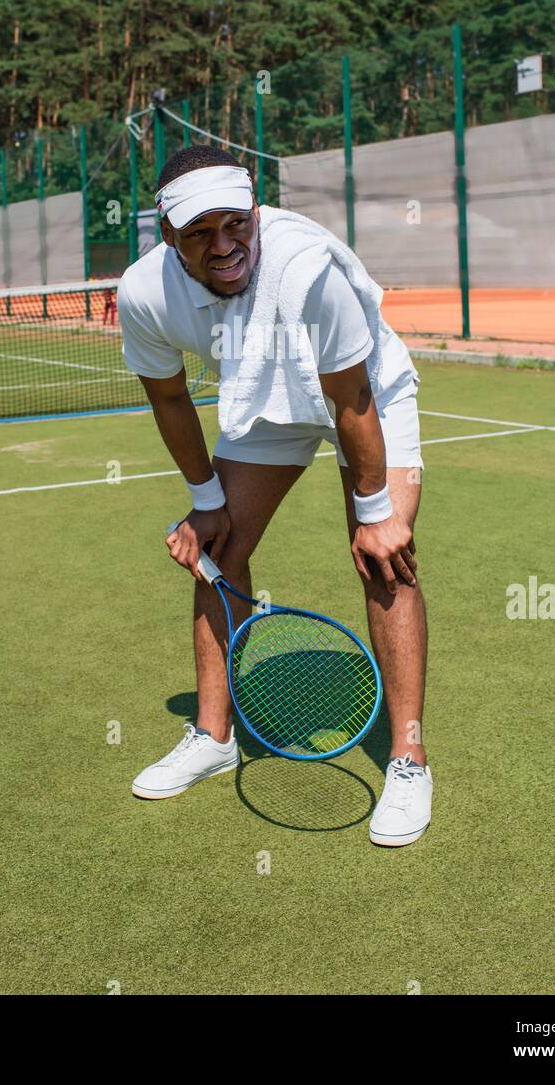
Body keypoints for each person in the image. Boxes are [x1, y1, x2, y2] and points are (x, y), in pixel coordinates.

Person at [116, 145, 432, 847]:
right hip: (264, 394)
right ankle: (213, 737)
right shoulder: (143, 293)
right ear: (167, 236)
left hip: (364, 391)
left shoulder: (306, 270)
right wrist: (205, 500)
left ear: (256, 212)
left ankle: (408, 760)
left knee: (384, 559)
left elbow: (350, 398)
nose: (223, 245)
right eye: (200, 232)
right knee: (217, 551)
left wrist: (375, 515)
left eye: (236, 224)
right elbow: (169, 398)